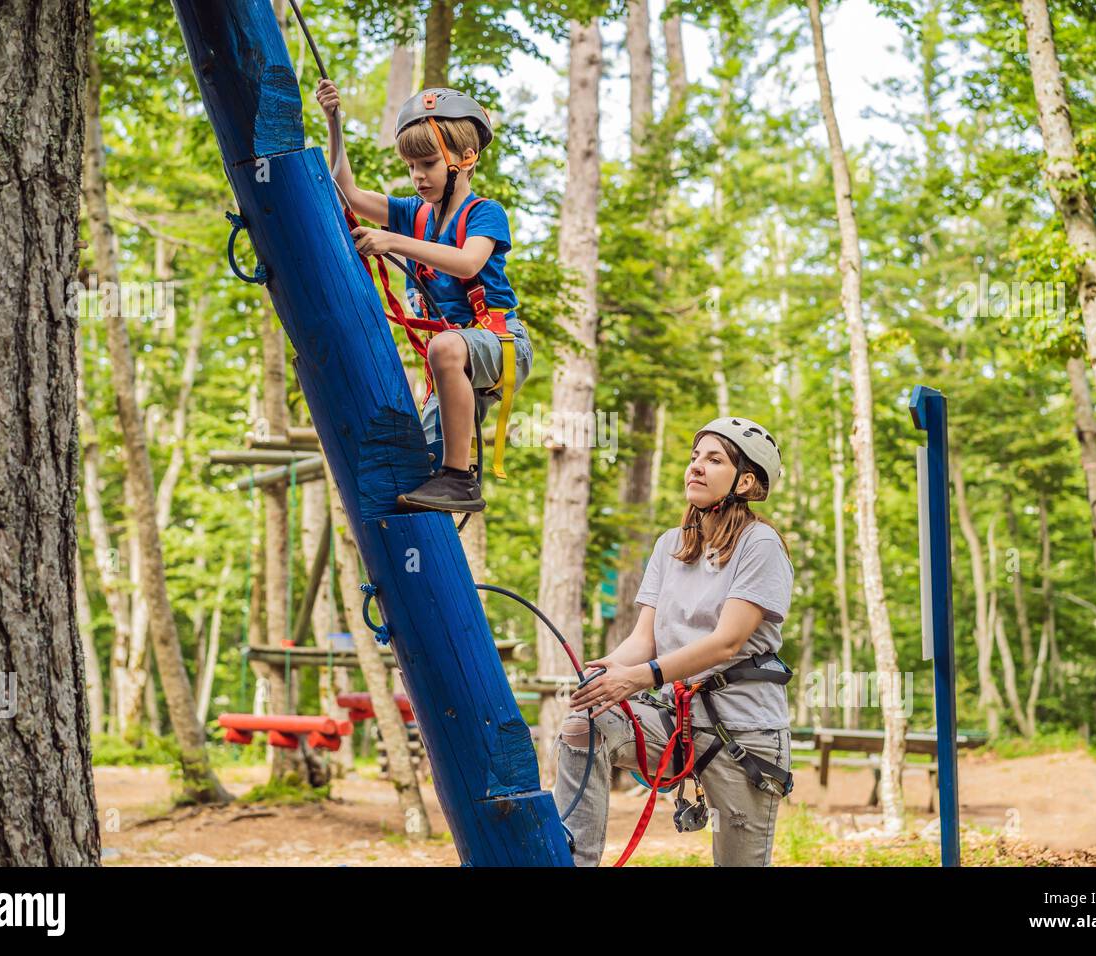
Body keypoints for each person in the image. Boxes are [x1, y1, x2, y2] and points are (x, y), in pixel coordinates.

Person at [553, 417, 796, 866]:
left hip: (744, 734)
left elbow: (727, 643)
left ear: (745, 481)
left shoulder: (759, 545)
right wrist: (606, 671)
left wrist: (639, 678)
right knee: (585, 724)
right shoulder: (670, 546)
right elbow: (643, 639)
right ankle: (574, 860)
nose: (697, 467)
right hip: (676, 723)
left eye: (714, 459)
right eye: (694, 457)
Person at [315, 80, 532, 514]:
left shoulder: (484, 213)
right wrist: (334, 123)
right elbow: (348, 195)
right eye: (412, 166)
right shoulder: (412, 215)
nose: (418, 177)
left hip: (501, 343)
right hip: (449, 358)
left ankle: (460, 479)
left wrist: (393, 243)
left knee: (446, 346)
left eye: (428, 164)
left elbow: (468, 263)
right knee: (417, 463)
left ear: (465, 160)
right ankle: (438, 492)